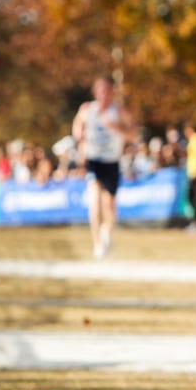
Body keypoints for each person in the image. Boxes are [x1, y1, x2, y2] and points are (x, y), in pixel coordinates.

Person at [72, 77, 135, 259]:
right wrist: (80, 138)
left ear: (112, 92)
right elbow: (77, 127)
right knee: (95, 200)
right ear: (95, 92)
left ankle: (106, 230)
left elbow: (132, 134)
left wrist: (116, 128)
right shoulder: (87, 109)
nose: (104, 94)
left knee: (110, 205)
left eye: (108, 90)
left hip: (111, 161)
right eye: (101, 90)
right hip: (93, 160)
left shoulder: (119, 111)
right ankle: (97, 243)